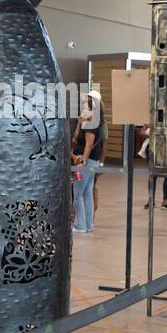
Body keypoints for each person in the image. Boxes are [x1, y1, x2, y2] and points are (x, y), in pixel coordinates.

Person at [70, 91, 105, 233]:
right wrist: (79, 122)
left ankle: (80, 225)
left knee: (78, 194)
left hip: (86, 162)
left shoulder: (92, 125)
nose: (83, 110)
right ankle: (88, 225)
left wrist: (82, 161)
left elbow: (88, 145)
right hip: (91, 162)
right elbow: (75, 138)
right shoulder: (87, 123)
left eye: (85, 108)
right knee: (87, 193)